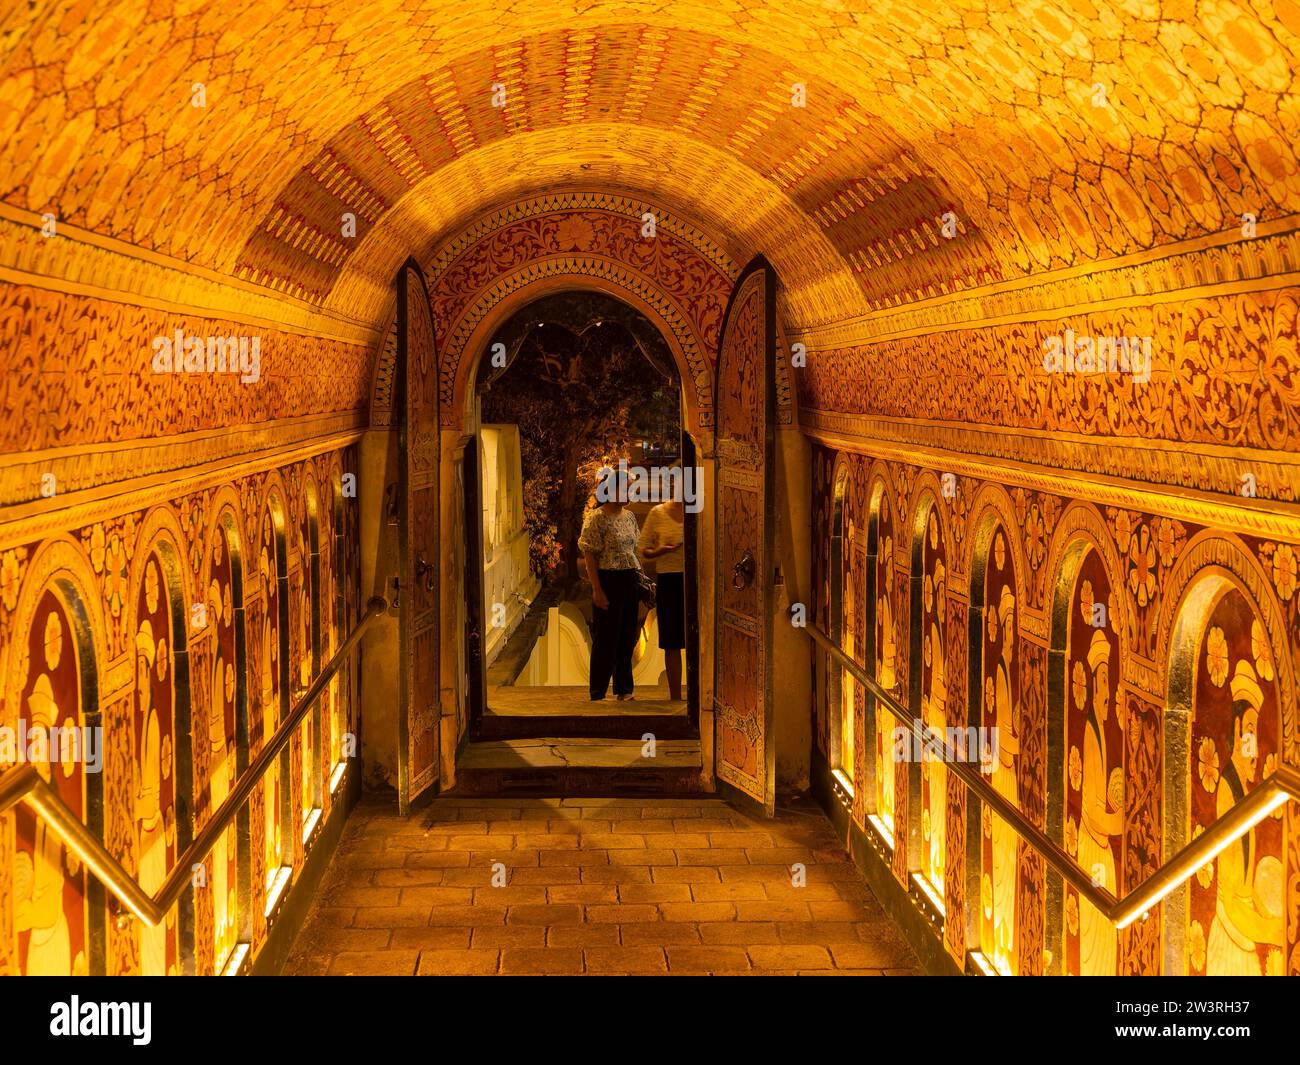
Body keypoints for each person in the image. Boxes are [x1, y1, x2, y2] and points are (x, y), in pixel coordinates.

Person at [579, 466, 643, 701]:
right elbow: (589, 555)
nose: (629, 492)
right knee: (606, 637)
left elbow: (633, 550)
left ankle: (624, 689)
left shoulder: (629, 517)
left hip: (629, 579)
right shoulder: (597, 519)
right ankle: (598, 691)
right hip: (608, 579)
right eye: (625, 488)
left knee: (627, 636)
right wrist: (597, 589)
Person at [638, 494, 685, 700]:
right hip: (669, 580)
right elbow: (643, 550)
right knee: (672, 641)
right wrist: (661, 550)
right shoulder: (658, 513)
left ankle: (698, 696)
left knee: (698, 639)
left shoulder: (698, 512)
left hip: (694, 579)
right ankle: (675, 696)